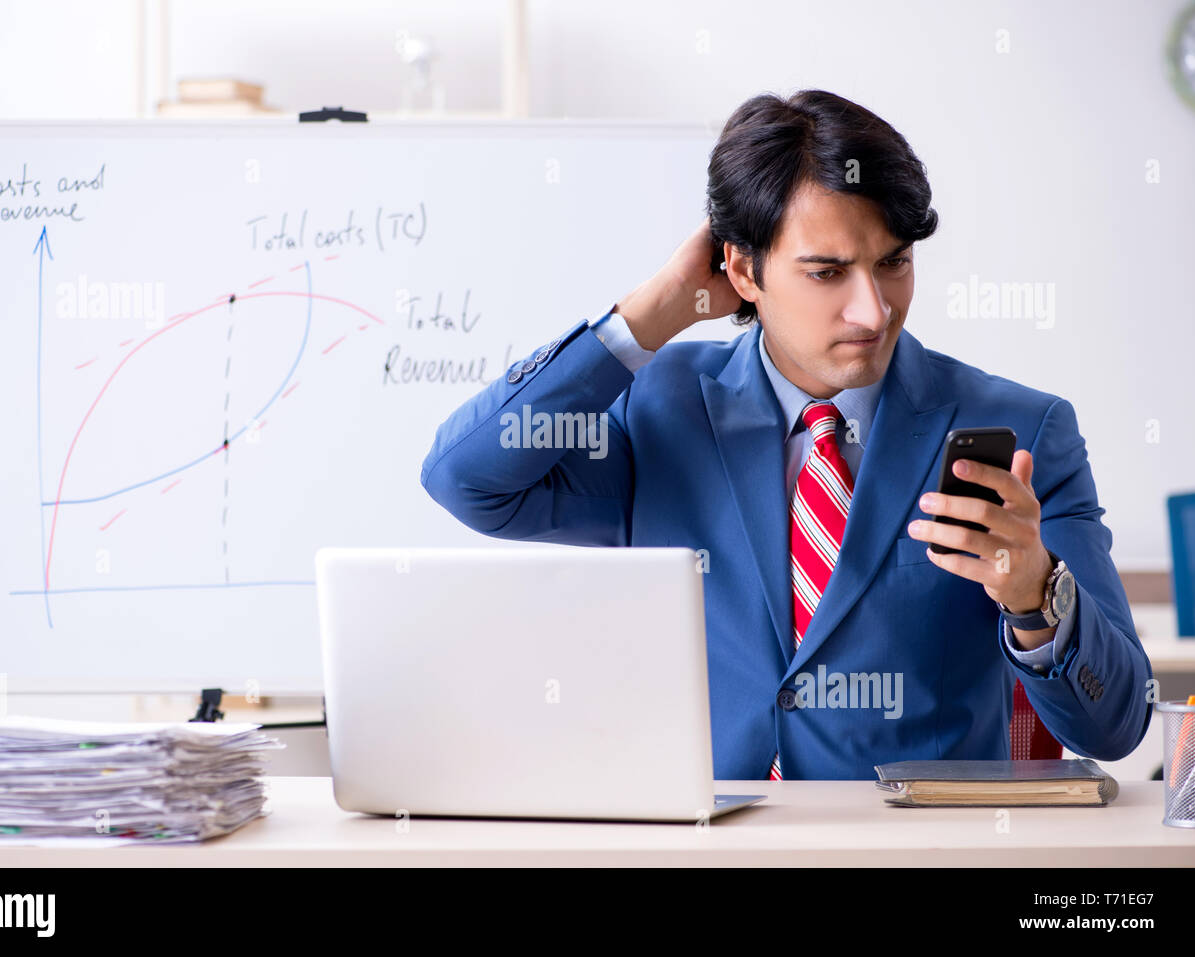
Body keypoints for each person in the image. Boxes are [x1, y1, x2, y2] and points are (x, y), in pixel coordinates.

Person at [419, 89, 1153, 780]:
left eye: (893, 262)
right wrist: (649, 317)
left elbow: (1116, 724)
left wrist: (1035, 595)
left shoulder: (1025, 429)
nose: (873, 311)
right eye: (828, 272)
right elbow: (468, 478)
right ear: (742, 267)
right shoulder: (659, 410)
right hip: (706, 851)